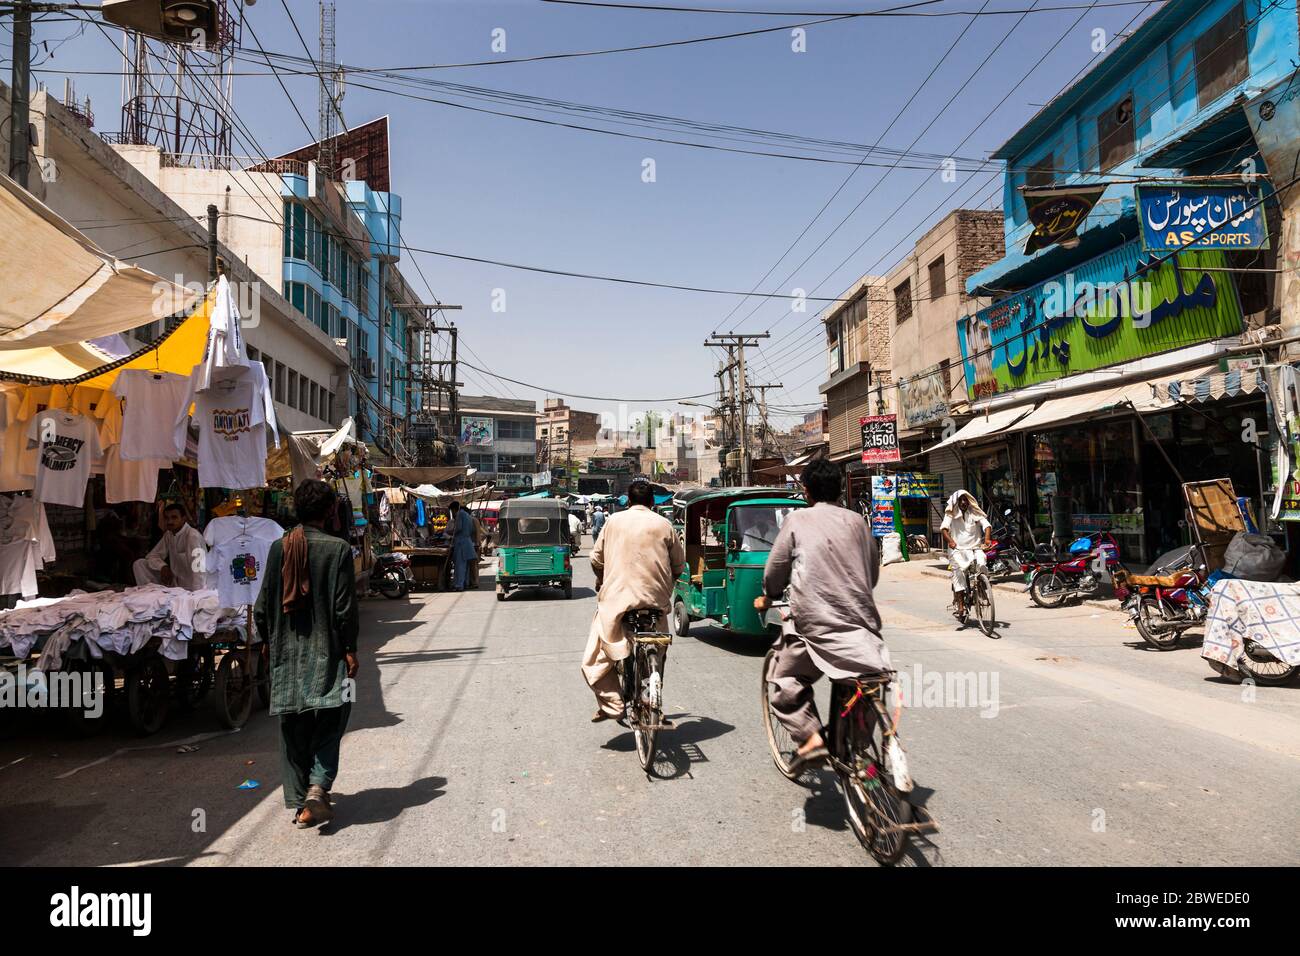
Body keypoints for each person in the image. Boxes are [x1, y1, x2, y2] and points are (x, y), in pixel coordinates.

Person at [756, 458, 889, 770]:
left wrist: (771, 594)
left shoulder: (798, 520)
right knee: (866, 683)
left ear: (806, 490)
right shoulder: (858, 522)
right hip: (862, 627)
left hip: (814, 625)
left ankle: (811, 738)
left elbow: (775, 571)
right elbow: (871, 573)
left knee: (785, 677)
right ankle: (855, 751)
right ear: (841, 489)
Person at [254, 479, 359, 830]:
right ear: (331, 511)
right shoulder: (339, 549)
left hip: (286, 653)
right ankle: (317, 786)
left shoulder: (277, 548)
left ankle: (302, 803)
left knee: (293, 726)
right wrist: (350, 649)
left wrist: (268, 641)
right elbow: (344, 609)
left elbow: (263, 604)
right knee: (335, 716)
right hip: (328, 653)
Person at [583, 476, 685, 722]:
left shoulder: (613, 521)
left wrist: (601, 579)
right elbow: (679, 565)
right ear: (652, 501)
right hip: (655, 601)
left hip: (618, 600)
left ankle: (613, 704)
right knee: (659, 649)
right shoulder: (664, 524)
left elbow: (596, 559)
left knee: (597, 655)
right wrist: (666, 584)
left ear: (628, 500)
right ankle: (652, 697)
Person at [940, 489, 992, 619]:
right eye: (961, 500)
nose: (963, 502)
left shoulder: (974, 512)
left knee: (981, 563)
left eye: (965, 500)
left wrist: (987, 539)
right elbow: (944, 529)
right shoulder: (951, 514)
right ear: (957, 502)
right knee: (959, 574)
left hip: (975, 548)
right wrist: (951, 542)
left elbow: (986, 526)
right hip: (958, 550)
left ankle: (981, 587)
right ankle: (961, 605)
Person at [133, 502, 207, 590]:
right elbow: (152, 556)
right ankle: (149, 594)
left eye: (174, 517)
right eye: (167, 518)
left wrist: (196, 595)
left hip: (192, 587)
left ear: (184, 519)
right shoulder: (169, 534)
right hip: (174, 584)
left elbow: (199, 569)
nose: (169, 521)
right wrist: (163, 567)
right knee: (139, 564)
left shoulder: (192, 536)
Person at [448, 499, 477, 591]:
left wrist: (451, 532)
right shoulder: (468, 515)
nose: (452, 513)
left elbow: (459, 528)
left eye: (452, 511)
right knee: (466, 566)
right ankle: (465, 583)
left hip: (461, 542)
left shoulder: (460, 514)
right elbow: (472, 530)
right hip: (467, 541)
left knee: (460, 565)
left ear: (454, 509)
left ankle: (459, 585)